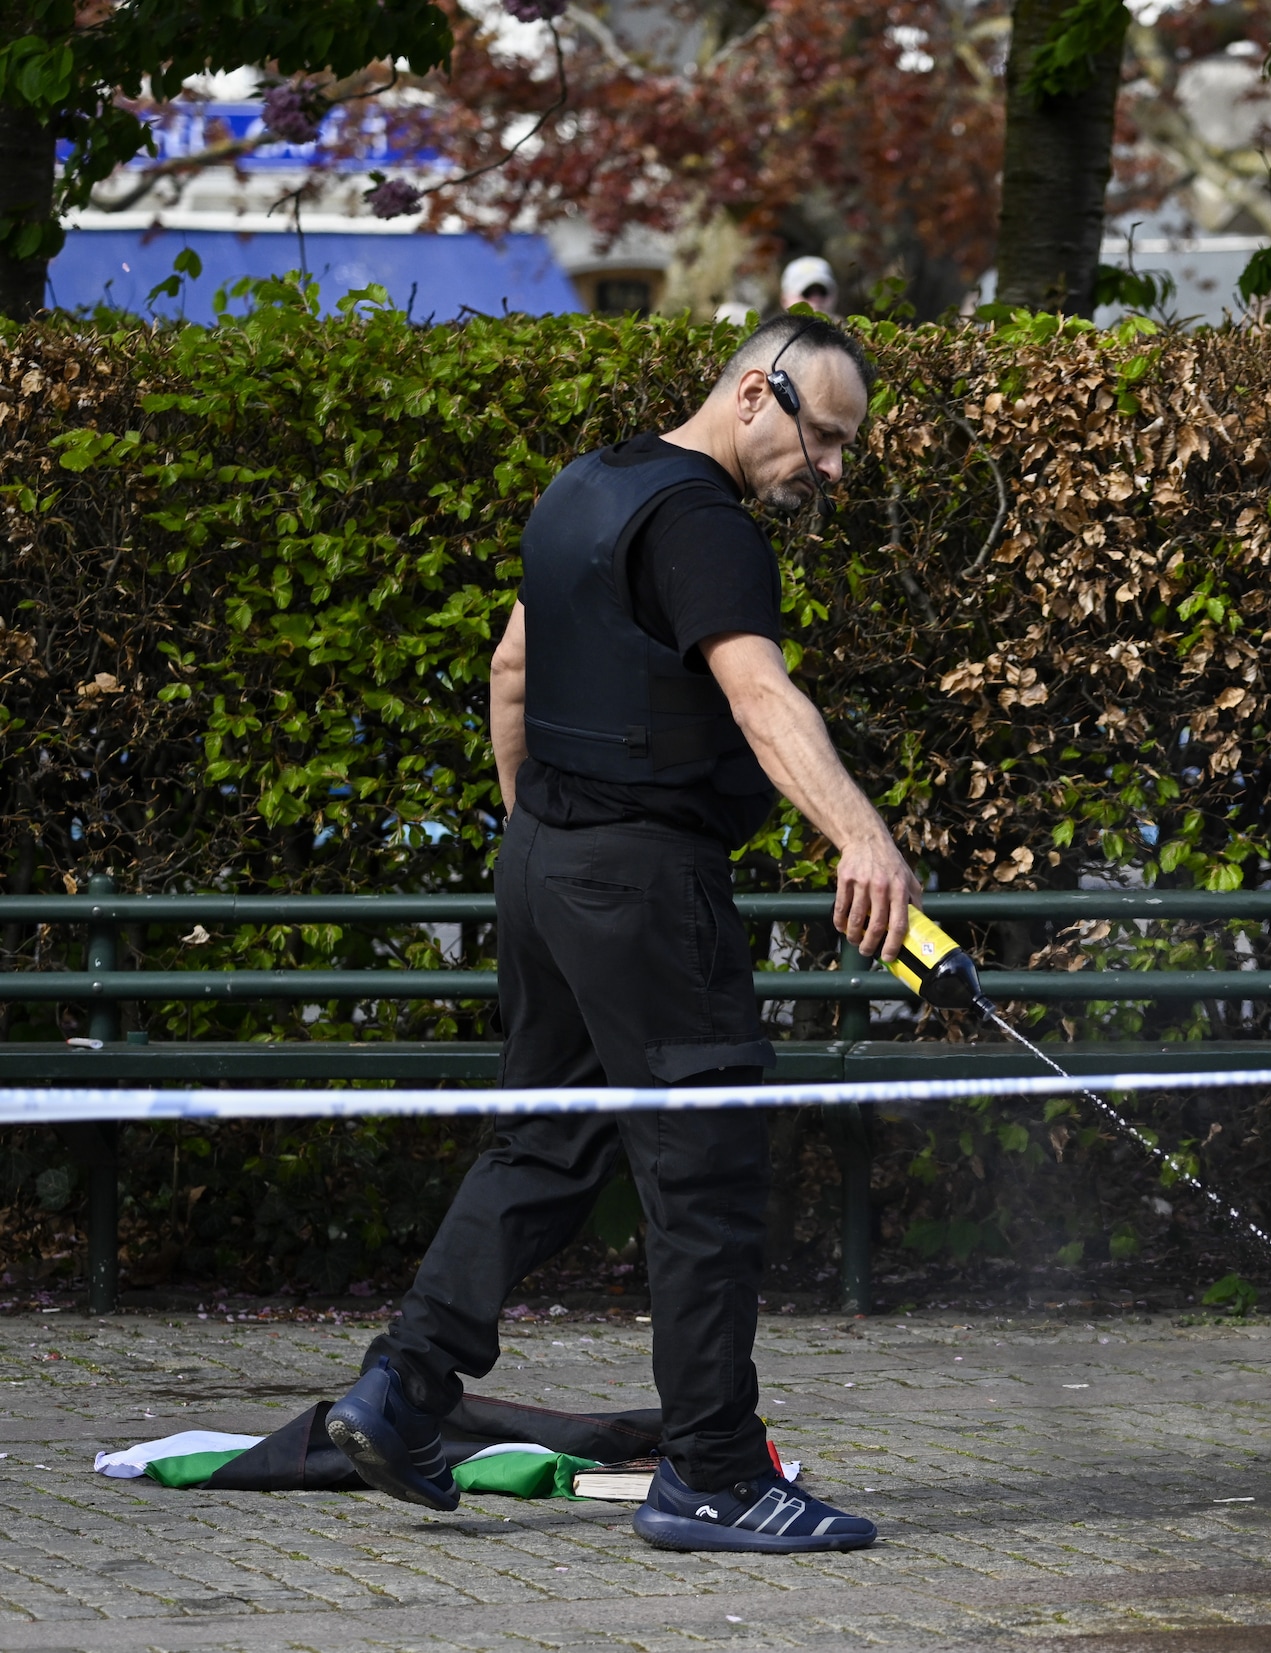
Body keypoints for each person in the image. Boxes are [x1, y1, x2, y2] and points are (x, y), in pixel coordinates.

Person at [323, 314, 920, 1554]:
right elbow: (760, 697)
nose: (832, 471)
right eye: (824, 439)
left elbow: (509, 671)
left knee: (539, 1145)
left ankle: (399, 1390)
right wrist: (861, 835)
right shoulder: (703, 526)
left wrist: (536, 845)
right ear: (757, 392)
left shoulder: (582, 487)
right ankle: (709, 1474)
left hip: (544, 862)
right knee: (704, 1173)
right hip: (646, 885)